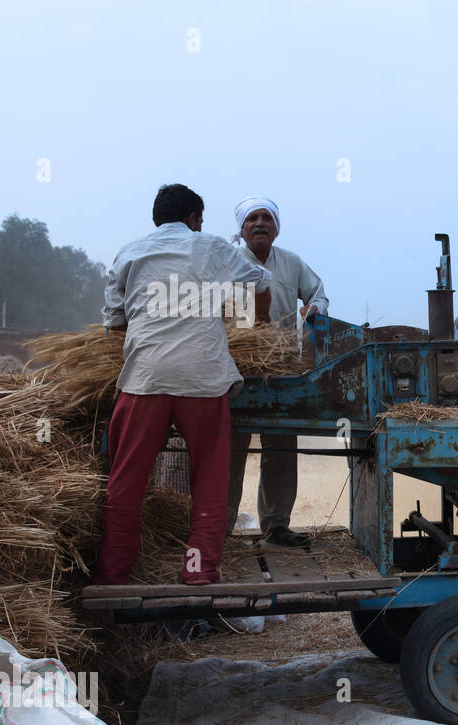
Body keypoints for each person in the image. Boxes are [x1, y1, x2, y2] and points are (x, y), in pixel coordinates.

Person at [91, 184, 271, 586]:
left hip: (144, 381)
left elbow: (115, 323)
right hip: (203, 381)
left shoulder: (128, 253)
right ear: (194, 219)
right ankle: (198, 570)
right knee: (208, 484)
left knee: (126, 483)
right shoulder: (207, 246)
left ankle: (113, 574)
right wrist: (256, 327)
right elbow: (260, 281)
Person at [225, 196, 328, 547]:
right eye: (252, 218)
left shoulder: (291, 262)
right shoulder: (226, 261)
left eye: (266, 218)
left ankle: (276, 525)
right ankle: (221, 525)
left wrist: (313, 308)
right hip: (235, 365)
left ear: (276, 227)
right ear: (241, 228)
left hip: (283, 365)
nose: (259, 224)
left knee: (281, 445)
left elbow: (318, 293)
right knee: (230, 447)